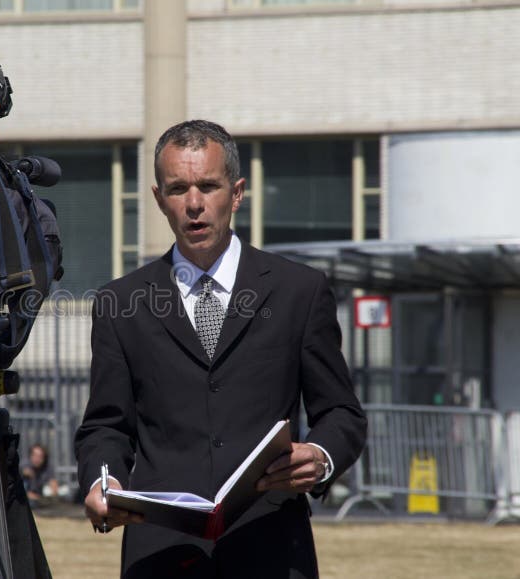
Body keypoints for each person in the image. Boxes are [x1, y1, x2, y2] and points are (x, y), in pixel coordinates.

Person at [74, 119, 367, 578]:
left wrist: (322, 456)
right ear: (158, 199)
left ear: (237, 192)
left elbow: (343, 413)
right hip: (161, 555)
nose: (194, 204)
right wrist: (103, 480)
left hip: (272, 549)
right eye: (178, 188)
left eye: (208, 186)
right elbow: (106, 426)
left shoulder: (299, 291)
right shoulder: (119, 303)